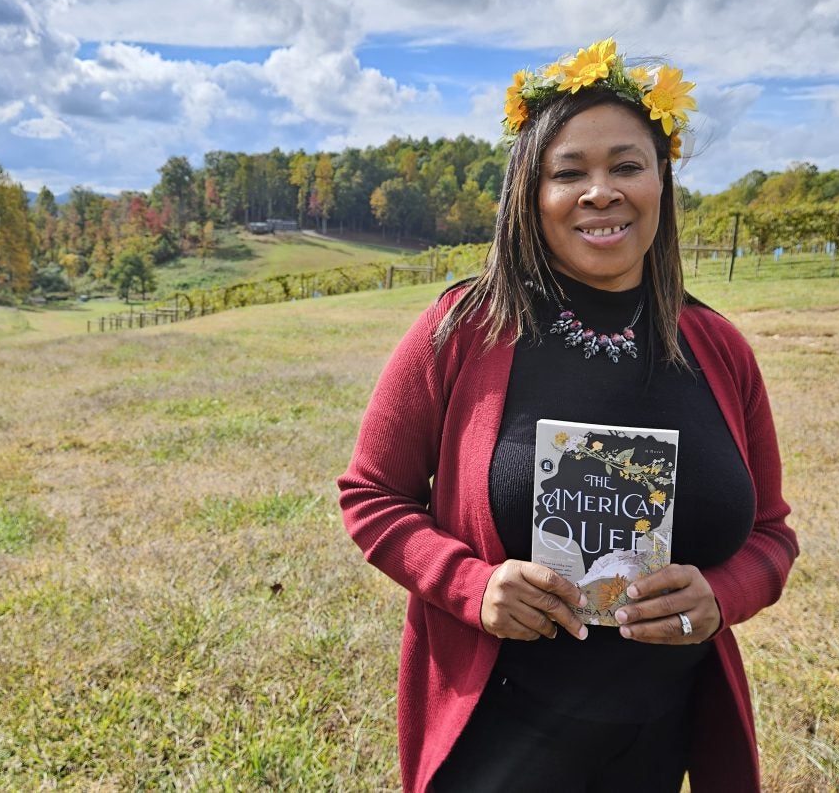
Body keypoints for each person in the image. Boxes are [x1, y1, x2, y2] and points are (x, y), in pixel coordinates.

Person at [338, 39, 798, 793]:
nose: (600, 192)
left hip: (658, 741)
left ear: (661, 182)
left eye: (626, 166)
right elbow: (369, 495)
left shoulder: (718, 347)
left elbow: (773, 534)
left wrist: (723, 596)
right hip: (497, 739)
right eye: (569, 172)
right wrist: (468, 584)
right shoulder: (463, 329)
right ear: (531, 192)